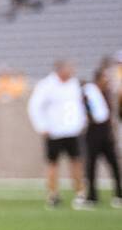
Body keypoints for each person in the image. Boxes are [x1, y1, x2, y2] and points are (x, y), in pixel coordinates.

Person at [27, 61, 87, 208]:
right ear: (60, 70)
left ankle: (80, 193)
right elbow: (34, 106)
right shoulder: (47, 85)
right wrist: (42, 126)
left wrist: (81, 122)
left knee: (77, 162)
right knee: (53, 164)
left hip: (72, 131)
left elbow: (78, 106)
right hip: (54, 131)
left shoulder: (74, 85)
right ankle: (53, 194)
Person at [82, 63, 122, 207]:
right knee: (91, 166)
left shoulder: (107, 93)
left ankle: (119, 193)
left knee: (114, 164)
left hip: (105, 133)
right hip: (93, 132)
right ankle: (92, 196)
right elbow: (88, 111)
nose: (107, 80)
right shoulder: (88, 92)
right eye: (105, 77)